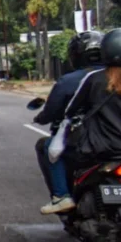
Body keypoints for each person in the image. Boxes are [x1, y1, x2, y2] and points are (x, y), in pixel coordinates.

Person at [33, 31, 104, 213]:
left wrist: (42, 117)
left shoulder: (76, 80)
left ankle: (61, 195)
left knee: (49, 147)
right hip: (113, 141)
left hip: (88, 142)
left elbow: (57, 110)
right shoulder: (113, 77)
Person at [56, 28, 121, 201]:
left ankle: (63, 197)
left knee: (67, 157)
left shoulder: (94, 79)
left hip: (101, 149)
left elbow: (70, 110)